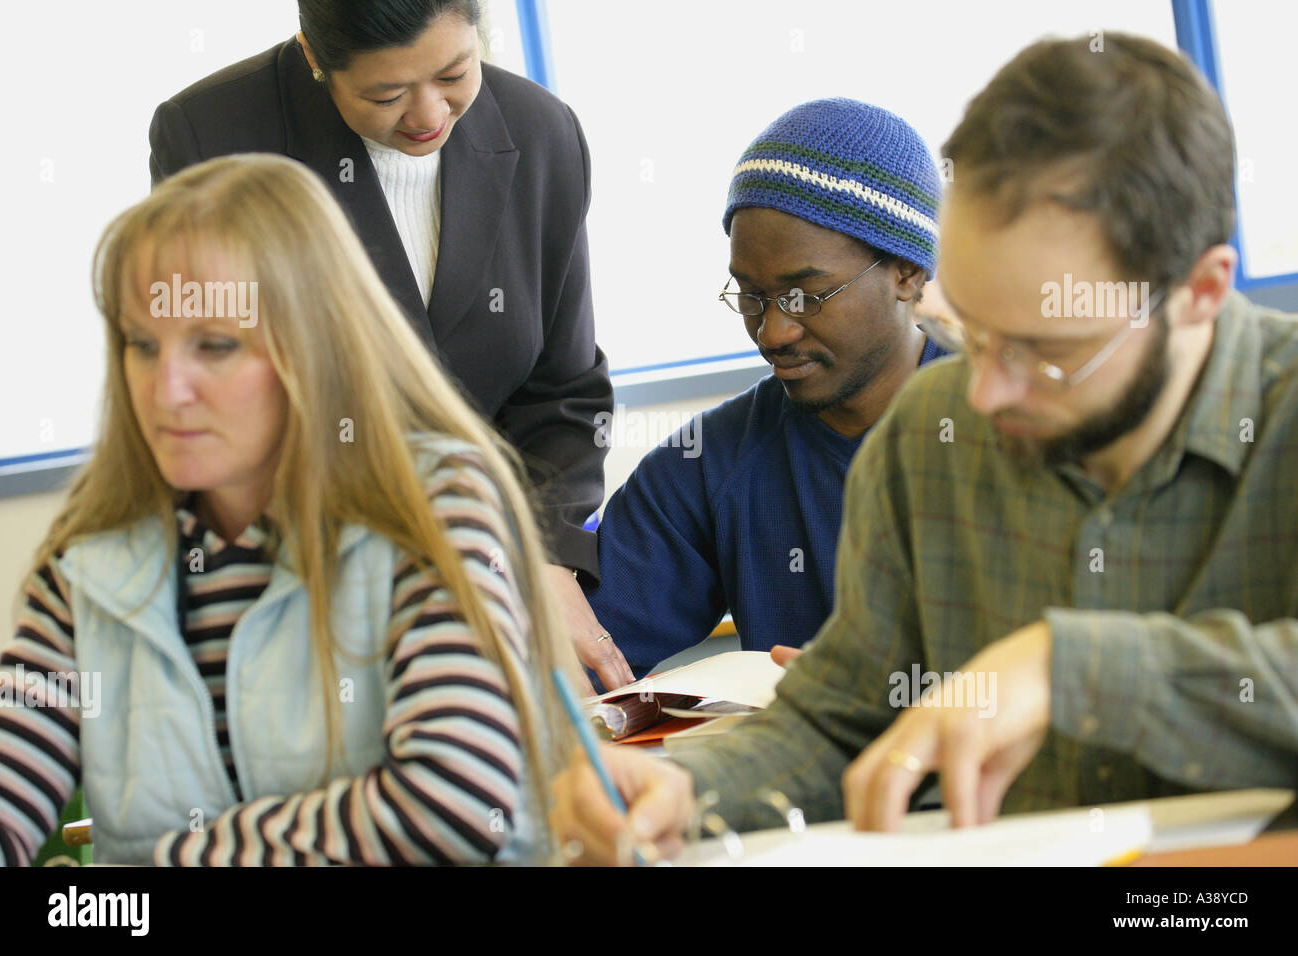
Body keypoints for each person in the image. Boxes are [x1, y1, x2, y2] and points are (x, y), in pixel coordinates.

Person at [551, 33, 1298, 863]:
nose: (980, 393)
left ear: (1198, 294)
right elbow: (840, 717)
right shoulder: (927, 435)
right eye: (973, 330)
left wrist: (1072, 670)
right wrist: (691, 791)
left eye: (1041, 347)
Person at [0, 154, 580, 866]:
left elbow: (452, 806)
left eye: (214, 346)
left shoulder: (433, 504)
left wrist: (184, 861)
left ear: (316, 347)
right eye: (142, 345)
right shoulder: (85, 564)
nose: (165, 389)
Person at [148, 0, 629, 691]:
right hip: (304, 574)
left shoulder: (542, 132)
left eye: (454, 73)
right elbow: (217, 405)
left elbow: (565, 393)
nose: (428, 113)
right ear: (315, 57)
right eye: (386, 93)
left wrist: (542, 560)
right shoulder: (212, 137)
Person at [583, 100, 948, 678]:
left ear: (905, 272)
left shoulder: (1017, 430)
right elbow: (582, 649)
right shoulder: (708, 465)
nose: (774, 332)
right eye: (751, 296)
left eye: (805, 295)